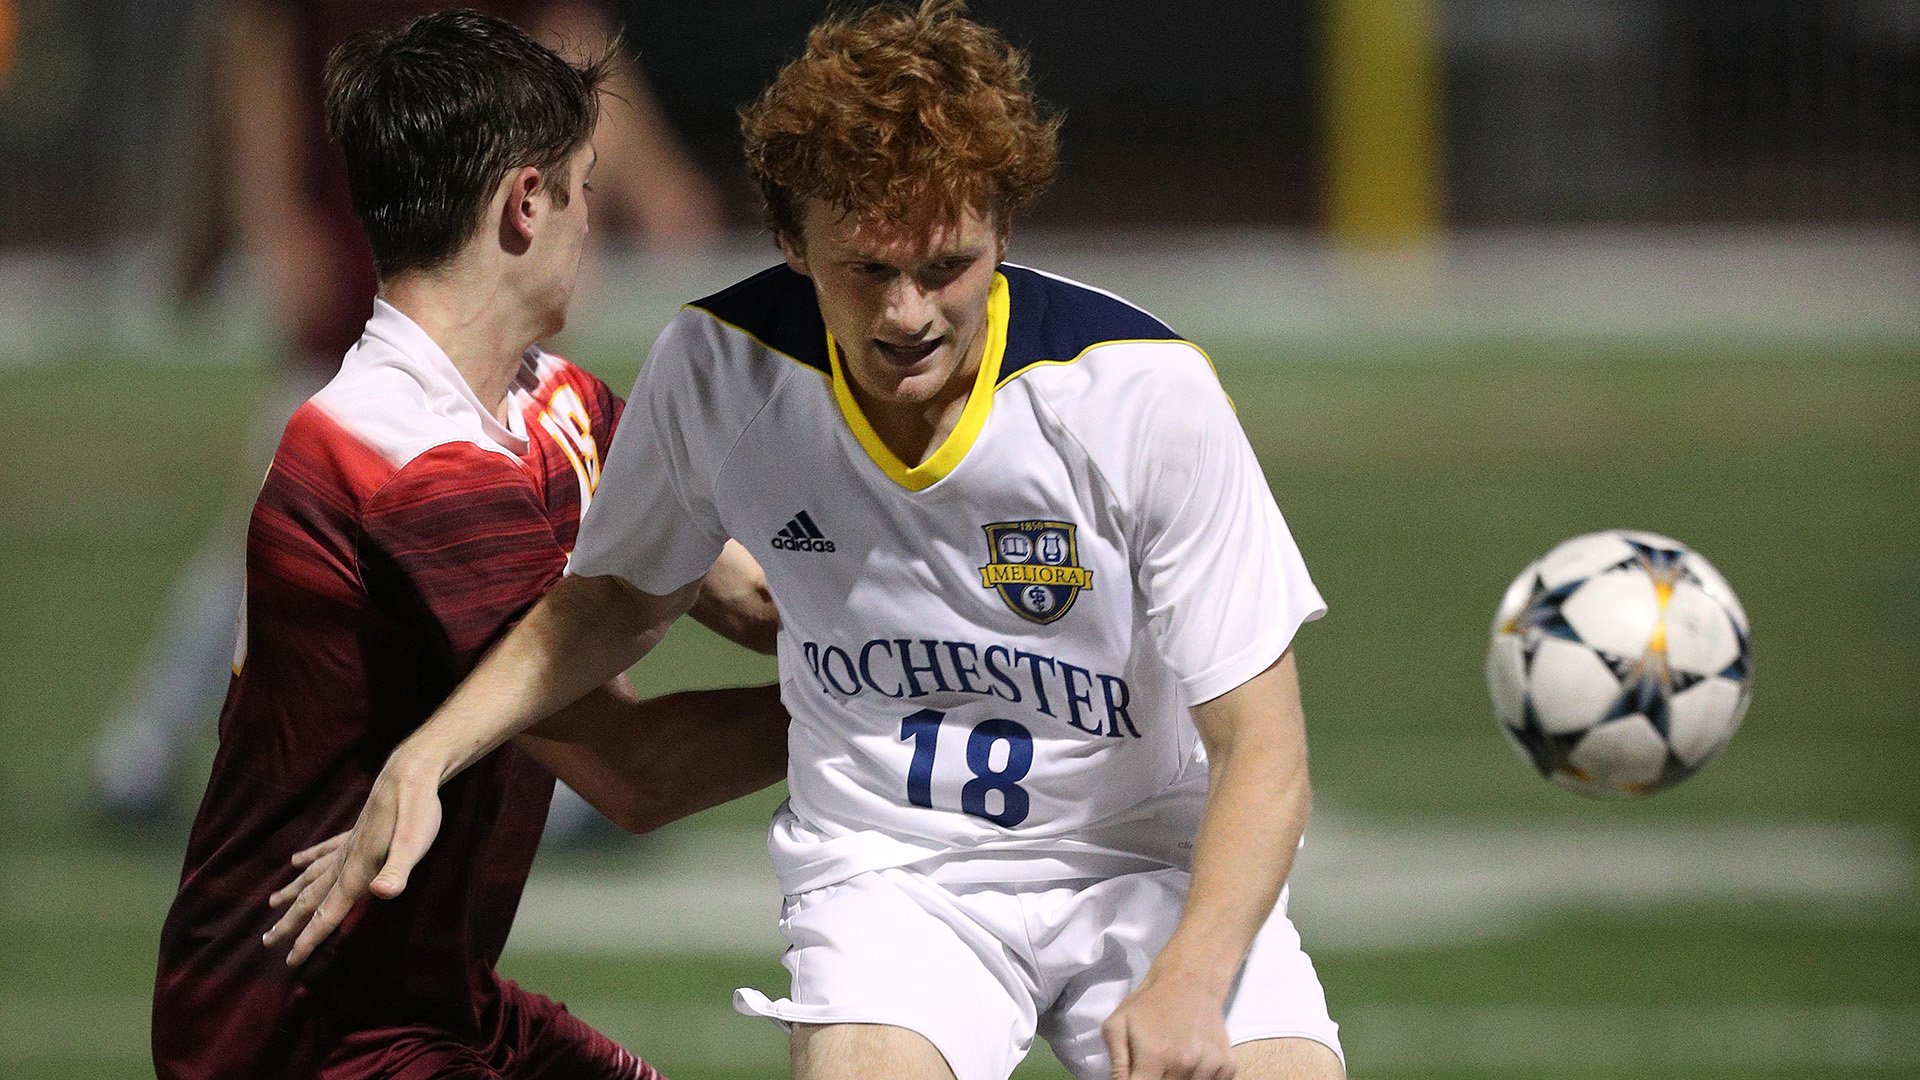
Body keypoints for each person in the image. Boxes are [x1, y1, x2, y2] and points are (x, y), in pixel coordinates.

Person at [274, 3, 1346, 1078]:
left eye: (948, 265)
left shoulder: (1141, 394)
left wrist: (1191, 979)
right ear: (791, 241)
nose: (909, 315)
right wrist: (427, 755)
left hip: (1144, 858)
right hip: (894, 871)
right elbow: (611, 602)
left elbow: (1262, 747)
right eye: (866, 270)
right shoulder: (718, 370)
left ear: (1004, 232)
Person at [153, 11, 785, 1079]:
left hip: (433, 996)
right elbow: (636, 772)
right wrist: (906, 705)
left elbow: (752, 597)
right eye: (585, 190)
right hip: (300, 1034)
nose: (594, 224)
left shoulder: (553, 399)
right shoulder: (396, 454)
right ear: (524, 204)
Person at [94, 0, 725, 835]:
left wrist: (649, 178)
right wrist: (269, 217)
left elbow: (566, 36)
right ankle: (154, 738)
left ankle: (557, 778)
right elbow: (251, 51)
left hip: (466, 262)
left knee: (492, 537)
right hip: (376, 253)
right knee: (297, 533)